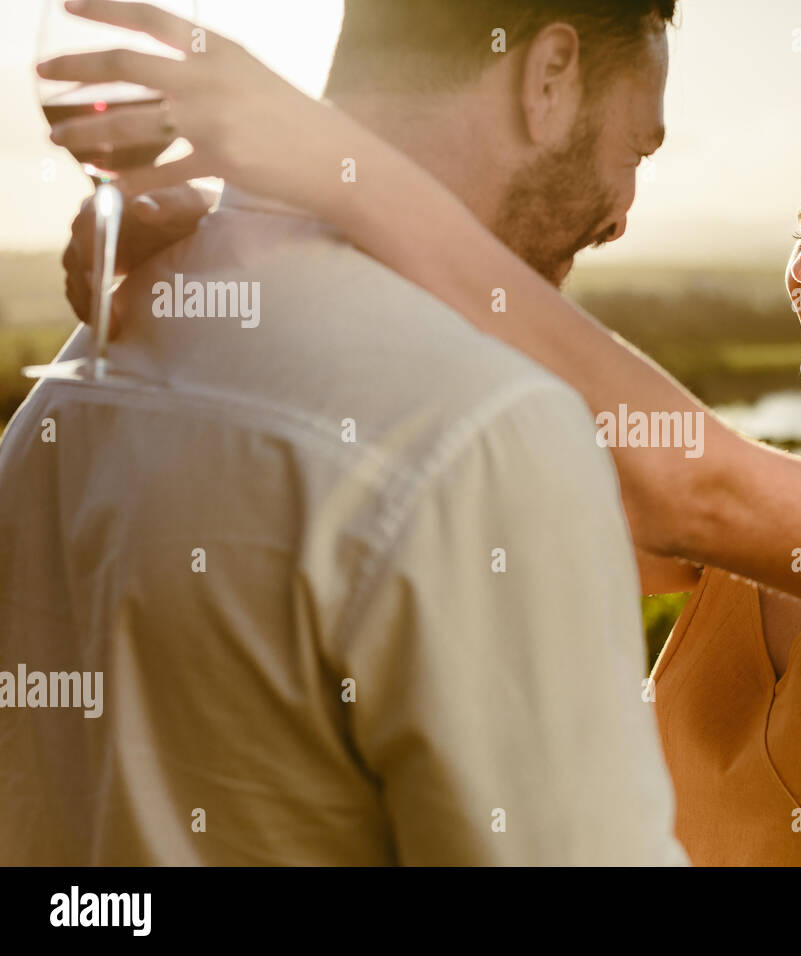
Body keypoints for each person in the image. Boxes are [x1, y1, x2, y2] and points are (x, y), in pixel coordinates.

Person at [45, 4, 801, 865]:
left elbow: (695, 484)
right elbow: (410, 486)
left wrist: (337, 162)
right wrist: (240, 273)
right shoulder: (737, 529)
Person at [0, 0, 688, 865]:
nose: (622, 213)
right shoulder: (484, 433)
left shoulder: (80, 375)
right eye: (637, 149)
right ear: (547, 75)